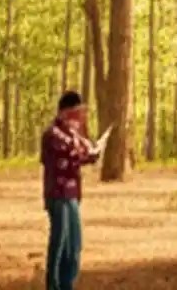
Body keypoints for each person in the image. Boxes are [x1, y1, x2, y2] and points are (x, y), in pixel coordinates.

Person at [40, 91, 99, 290]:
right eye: (77, 113)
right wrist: (83, 152)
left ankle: (67, 285)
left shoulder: (74, 135)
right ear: (65, 113)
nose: (80, 118)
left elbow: (80, 154)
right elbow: (64, 159)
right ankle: (53, 285)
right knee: (60, 243)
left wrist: (91, 153)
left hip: (72, 195)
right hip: (58, 195)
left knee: (74, 245)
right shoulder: (52, 134)